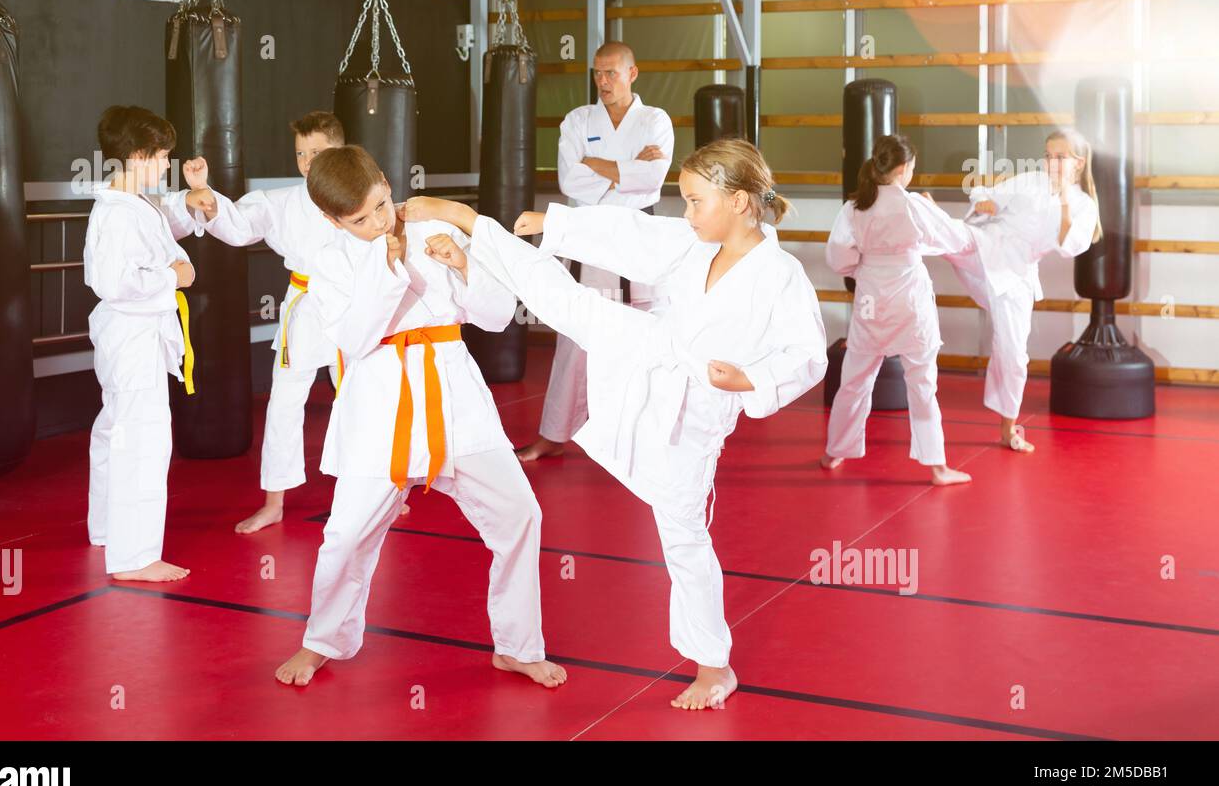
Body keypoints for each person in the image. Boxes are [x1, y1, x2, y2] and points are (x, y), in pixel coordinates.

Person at [402, 137, 828, 711]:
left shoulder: (781, 274)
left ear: (741, 202)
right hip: (651, 349)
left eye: (698, 201)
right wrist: (556, 226)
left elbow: (808, 354)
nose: (688, 213)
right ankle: (473, 225)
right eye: (686, 200)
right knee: (569, 303)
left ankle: (713, 667)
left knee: (682, 537)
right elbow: (627, 235)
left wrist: (751, 380)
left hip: (698, 409)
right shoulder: (688, 242)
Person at [274, 146, 565, 691]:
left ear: (387, 182)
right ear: (332, 219)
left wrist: (465, 264)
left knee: (520, 514)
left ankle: (518, 647)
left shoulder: (431, 221)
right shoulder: (328, 261)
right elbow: (356, 340)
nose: (380, 221)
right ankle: (321, 641)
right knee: (345, 535)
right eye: (360, 219)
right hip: (379, 401)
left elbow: (498, 316)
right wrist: (389, 267)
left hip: (453, 390)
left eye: (383, 204)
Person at [182, 111, 354, 533]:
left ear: (339, 151)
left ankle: (373, 492)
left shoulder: (361, 197)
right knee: (283, 403)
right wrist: (206, 196)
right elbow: (238, 225)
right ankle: (274, 501)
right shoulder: (281, 202)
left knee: (359, 400)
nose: (308, 160)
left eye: (317, 151)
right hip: (305, 306)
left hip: (354, 308)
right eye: (301, 153)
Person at [517, 40, 674, 462]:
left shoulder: (655, 120)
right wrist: (628, 169)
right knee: (575, 336)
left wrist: (598, 164)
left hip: (639, 237)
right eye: (597, 73)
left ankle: (647, 436)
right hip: (588, 239)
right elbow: (570, 182)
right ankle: (554, 433)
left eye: (612, 73)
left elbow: (654, 178)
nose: (603, 81)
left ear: (632, 73)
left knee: (649, 335)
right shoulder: (577, 119)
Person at [84, 105, 221, 581]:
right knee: (141, 440)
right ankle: (134, 557)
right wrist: (173, 277)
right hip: (132, 333)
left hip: (133, 333)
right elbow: (111, 282)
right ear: (138, 155)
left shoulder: (133, 203)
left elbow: (163, 227)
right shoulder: (118, 213)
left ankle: (106, 530)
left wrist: (194, 200)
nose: (166, 164)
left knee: (114, 430)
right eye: (161, 156)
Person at [819, 134, 973, 486]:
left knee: (855, 380)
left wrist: (863, 268)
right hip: (909, 300)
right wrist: (932, 210)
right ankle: (937, 467)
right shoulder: (914, 205)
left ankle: (834, 451)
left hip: (871, 296)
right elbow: (958, 240)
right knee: (922, 384)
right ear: (903, 169)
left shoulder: (855, 206)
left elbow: (837, 257)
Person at [945, 129, 1102, 452]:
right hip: (986, 244)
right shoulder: (1030, 180)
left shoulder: (1083, 205)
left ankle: (1007, 429)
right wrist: (985, 202)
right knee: (945, 233)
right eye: (1048, 156)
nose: (1051, 163)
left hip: (1016, 276)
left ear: (1078, 163)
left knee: (1014, 354)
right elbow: (984, 193)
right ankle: (914, 211)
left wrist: (1061, 199)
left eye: (1060, 158)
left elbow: (1068, 245)